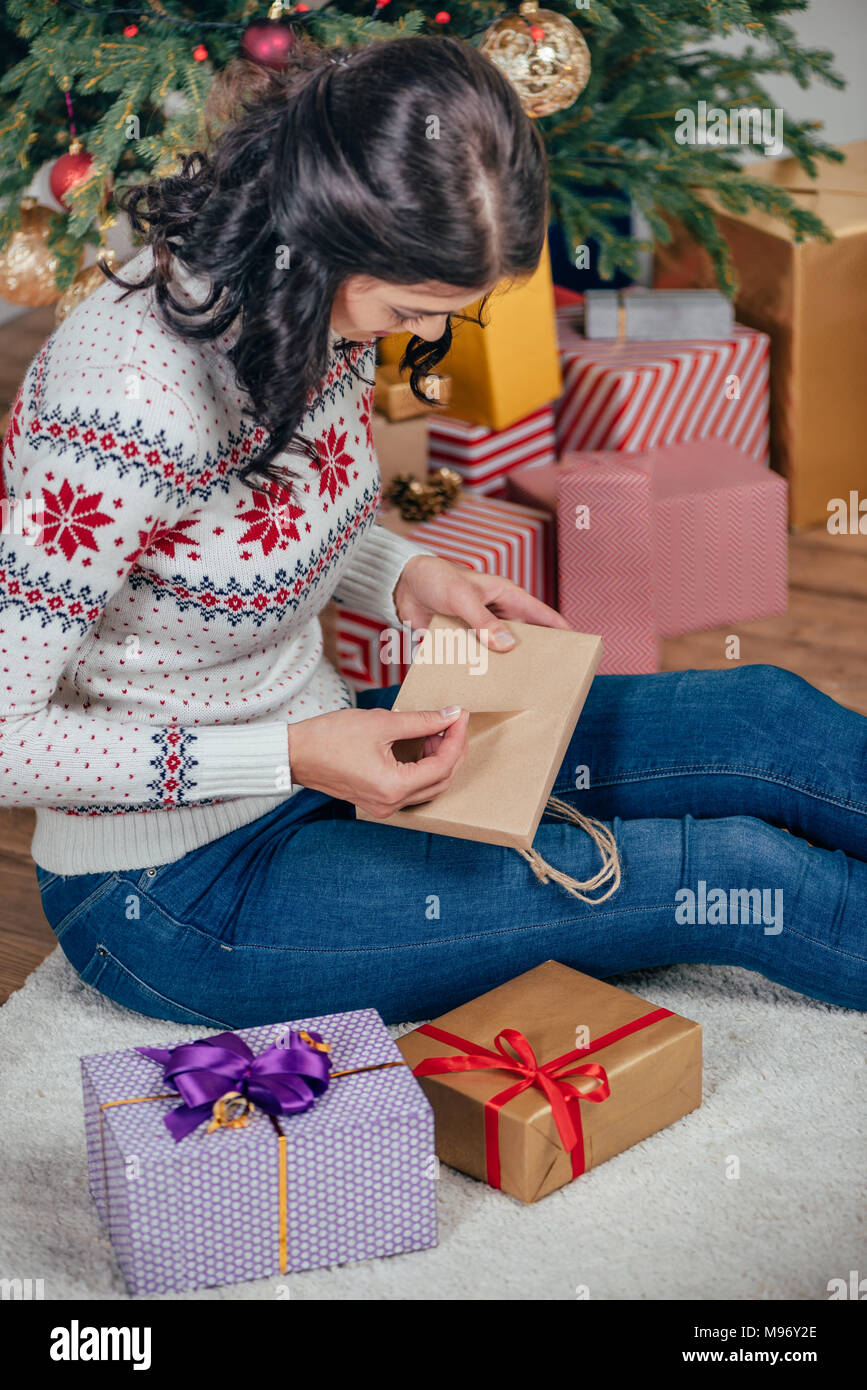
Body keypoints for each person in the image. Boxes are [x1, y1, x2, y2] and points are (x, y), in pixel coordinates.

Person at [2, 37, 864, 1028]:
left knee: (767, 718)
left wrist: (408, 575)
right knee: (732, 873)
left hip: (328, 747)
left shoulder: (307, 301)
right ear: (329, 235)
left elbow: (230, 531)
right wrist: (290, 754)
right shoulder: (122, 407)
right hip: (173, 889)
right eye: (411, 308)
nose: (411, 336)